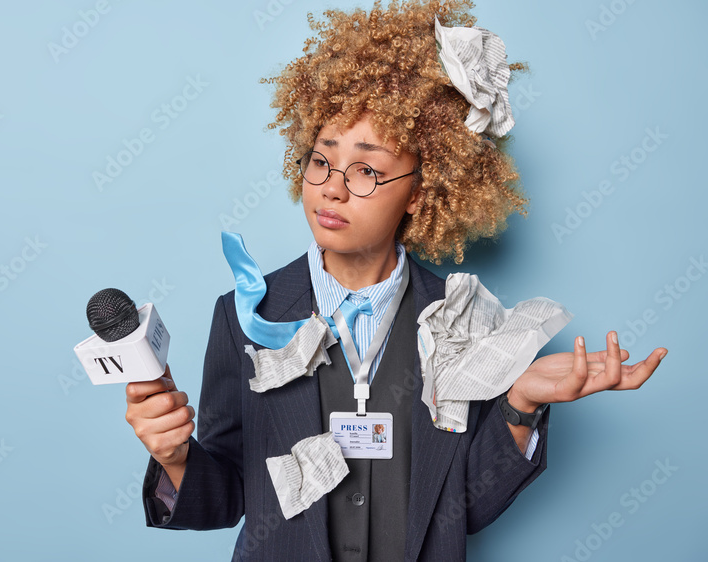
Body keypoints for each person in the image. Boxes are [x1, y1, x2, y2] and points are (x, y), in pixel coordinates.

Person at [123, 2, 667, 560]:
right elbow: (232, 496)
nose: (332, 188)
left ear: (420, 190)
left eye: (366, 170)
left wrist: (518, 405)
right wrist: (176, 458)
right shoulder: (245, 314)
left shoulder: (463, 322)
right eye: (320, 161)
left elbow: (467, 512)